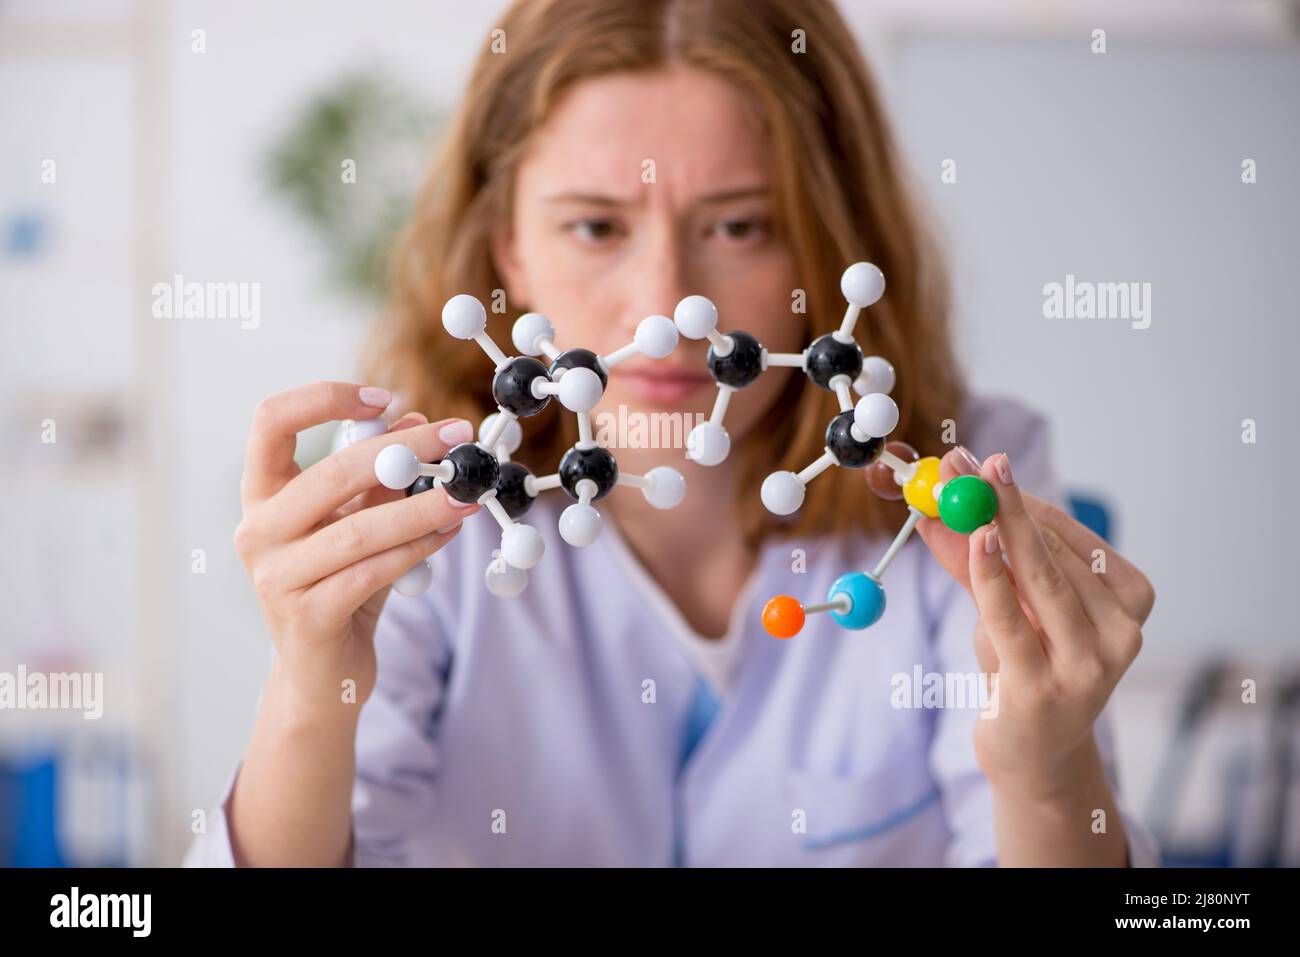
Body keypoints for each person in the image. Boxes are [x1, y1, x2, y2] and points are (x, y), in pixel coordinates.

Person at [185, 0, 1158, 867]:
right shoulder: (426, 504)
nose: (668, 305)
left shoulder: (964, 480)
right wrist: (312, 697)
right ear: (506, 249)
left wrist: (1045, 774)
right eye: (596, 229)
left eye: (738, 227)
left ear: (830, 240)